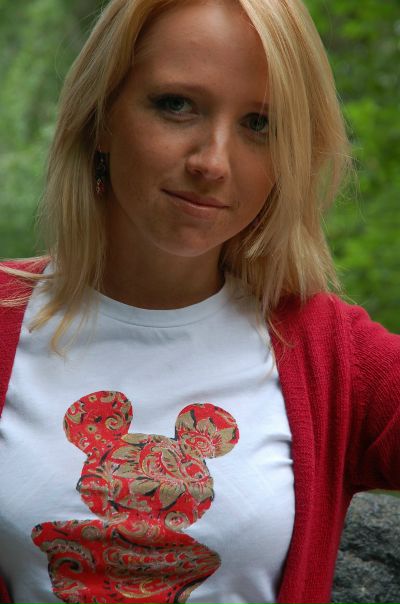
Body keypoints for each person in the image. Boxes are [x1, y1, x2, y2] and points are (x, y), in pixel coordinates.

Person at [0, 0, 399, 603]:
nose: (212, 162)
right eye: (176, 105)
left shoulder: (333, 356)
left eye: (259, 124)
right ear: (101, 117)